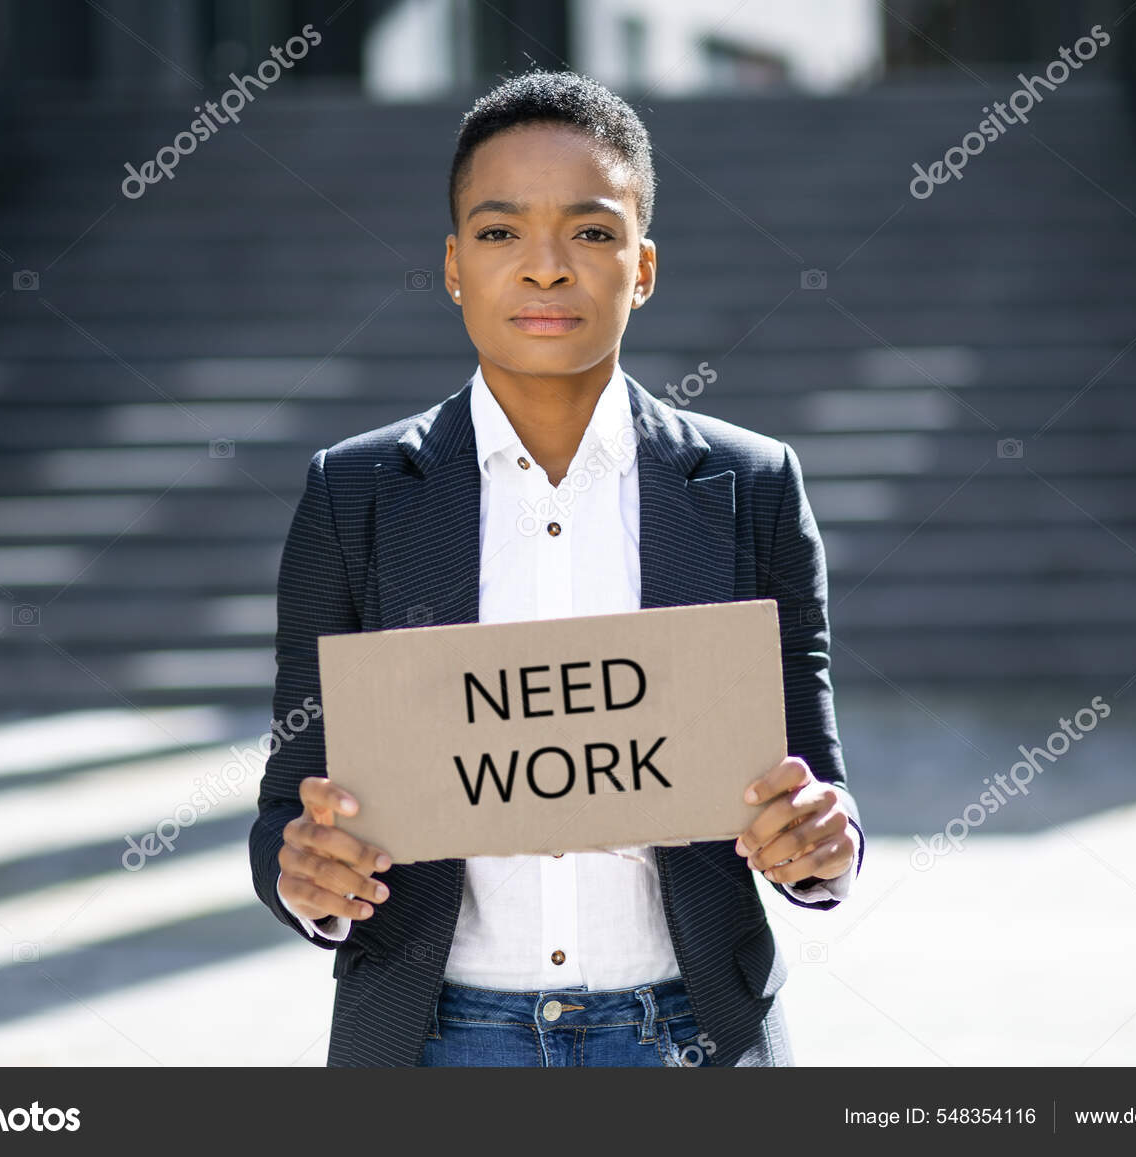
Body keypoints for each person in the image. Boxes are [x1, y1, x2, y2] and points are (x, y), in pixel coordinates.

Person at [248, 69, 862, 1068]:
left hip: (690, 1033)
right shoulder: (352, 495)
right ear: (452, 267)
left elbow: (815, 782)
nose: (544, 269)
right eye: (499, 234)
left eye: (589, 232)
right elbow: (289, 799)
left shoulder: (750, 485)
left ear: (644, 265)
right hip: (436, 1039)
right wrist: (304, 876)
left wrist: (823, 851)